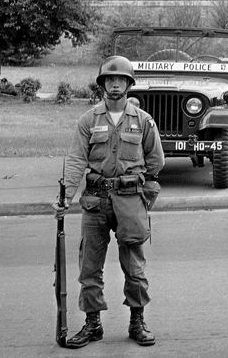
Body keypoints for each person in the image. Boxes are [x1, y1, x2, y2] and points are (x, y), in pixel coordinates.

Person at [53, 56, 164, 348]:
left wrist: (145, 197)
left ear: (129, 85)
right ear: (102, 84)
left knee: (134, 266)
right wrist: (65, 197)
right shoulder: (88, 120)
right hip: (95, 200)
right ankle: (93, 325)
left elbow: (155, 162)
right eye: (110, 80)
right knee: (90, 266)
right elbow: (77, 159)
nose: (115, 85)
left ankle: (137, 322)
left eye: (121, 80)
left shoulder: (143, 121)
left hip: (130, 200)